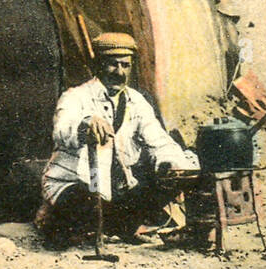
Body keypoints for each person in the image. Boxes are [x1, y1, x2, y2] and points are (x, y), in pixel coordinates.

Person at [35, 32, 199, 247]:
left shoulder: (136, 101)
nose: (120, 72)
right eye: (112, 64)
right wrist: (86, 124)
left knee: (167, 181)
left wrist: (170, 164)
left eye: (125, 65)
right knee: (86, 206)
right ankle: (57, 218)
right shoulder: (76, 96)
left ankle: (116, 227)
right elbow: (62, 130)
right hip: (76, 183)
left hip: (119, 187)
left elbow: (159, 140)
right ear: (98, 65)